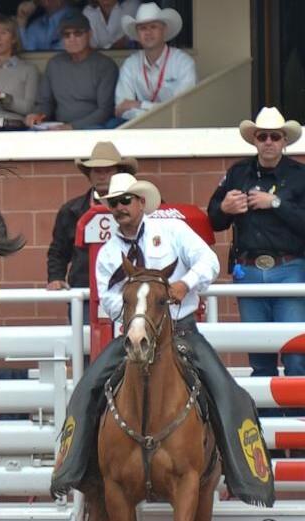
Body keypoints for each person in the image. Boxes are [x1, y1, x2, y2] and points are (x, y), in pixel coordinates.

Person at [51, 173, 275, 508]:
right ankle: (82, 474)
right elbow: (110, 302)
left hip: (181, 331)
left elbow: (208, 261)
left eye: (126, 200)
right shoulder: (110, 252)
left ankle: (241, 474)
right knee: (86, 391)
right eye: (114, 203)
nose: (120, 207)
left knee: (231, 393)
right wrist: (139, 303)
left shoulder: (171, 231)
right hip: (135, 331)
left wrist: (185, 284)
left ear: (141, 202)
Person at [207, 107, 305, 416]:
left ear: (284, 140)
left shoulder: (299, 175)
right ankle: (267, 439)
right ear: (254, 140)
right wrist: (224, 207)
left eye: (275, 136)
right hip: (248, 271)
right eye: (262, 136)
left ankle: (298, 434)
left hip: (289, 269)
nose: (268, 142)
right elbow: (214, 219)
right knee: (259, 358)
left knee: (295, 355)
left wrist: (274, 203)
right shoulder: (238, 172)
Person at [46, 141, 137, 323]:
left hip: (135, 291)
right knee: (87, 345)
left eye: (108, 170)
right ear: (89, 175)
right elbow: (58, 251)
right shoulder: (71, 210)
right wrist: (55, 277)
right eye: (97, 171)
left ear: (119, 173)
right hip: (86, 292)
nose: (102, 176)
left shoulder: (143, 206)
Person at [23, 13, 117, 130]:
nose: (72, 39)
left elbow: (105, 110)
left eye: (78, 33)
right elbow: (45, 103)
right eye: (66, 35)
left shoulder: (105, 65)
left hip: (92, 127)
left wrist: (72, 127)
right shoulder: (54, 64)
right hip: (59, 126)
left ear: (90, 34)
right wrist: (37, 115)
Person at [114, 2, 195, 122]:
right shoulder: (130, 65)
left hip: (176, 129)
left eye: (153, 27)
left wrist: (140, 105)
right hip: (140, 129)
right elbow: (121, 109)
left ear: (164, 30)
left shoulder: (183, 63)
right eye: (143, 28)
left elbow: (182, 108)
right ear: (137, 33)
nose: (148, 33)